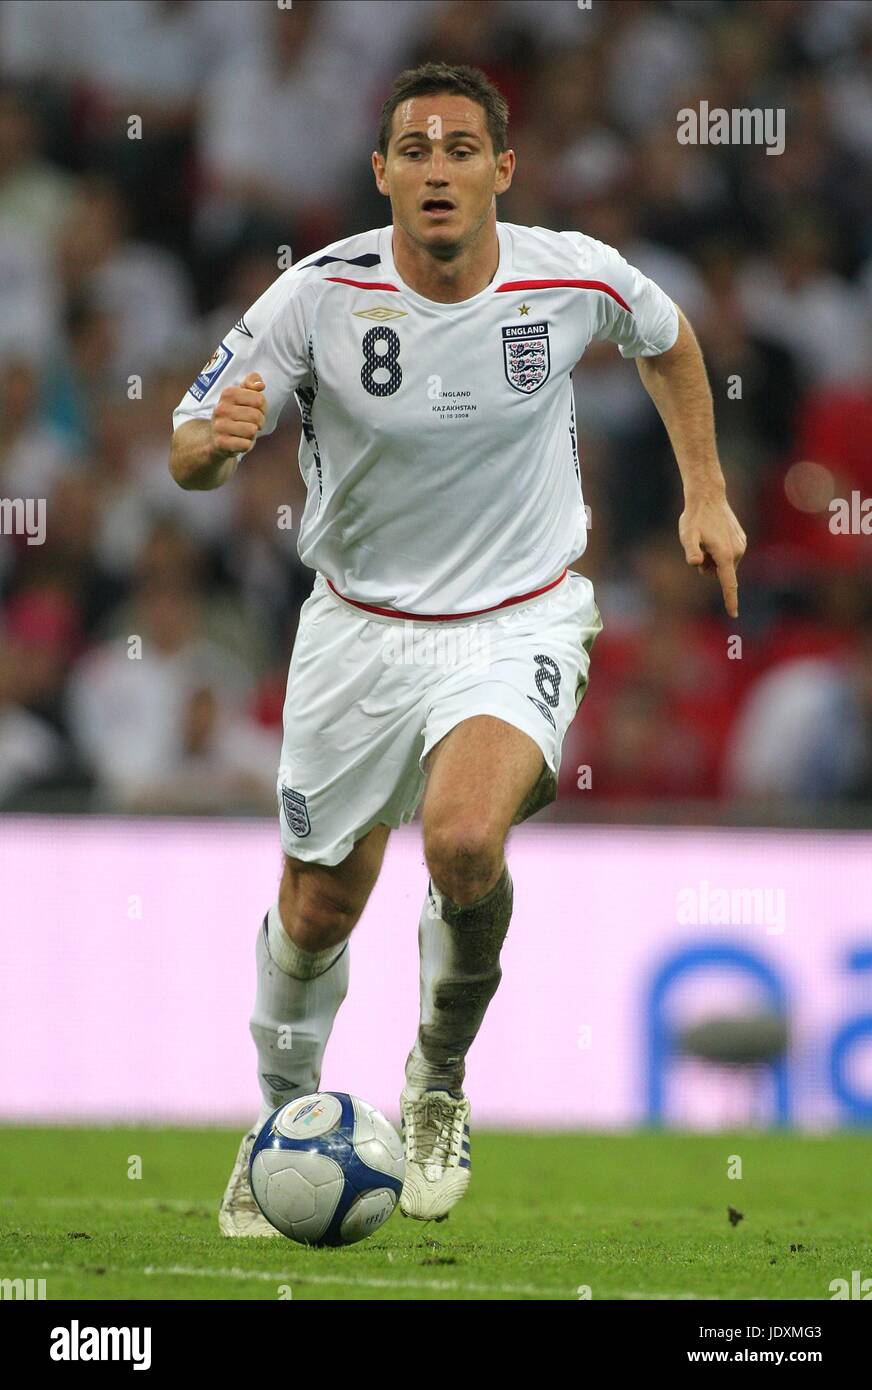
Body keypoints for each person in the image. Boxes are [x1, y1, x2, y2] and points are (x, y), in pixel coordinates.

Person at [169, 62, 746, 1235]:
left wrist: (706, 494)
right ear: (381, 172)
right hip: (357, 630)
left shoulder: (568, 272)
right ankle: (283, 1116)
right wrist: (213, 452)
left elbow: (670, 334)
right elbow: (190, 440)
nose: (438, 170)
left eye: (460, 148)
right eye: (415, 151)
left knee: (463, 839)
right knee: (320, 903)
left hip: (515, 617)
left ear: (500, 170)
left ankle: (435, 1075)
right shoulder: (316, 295)